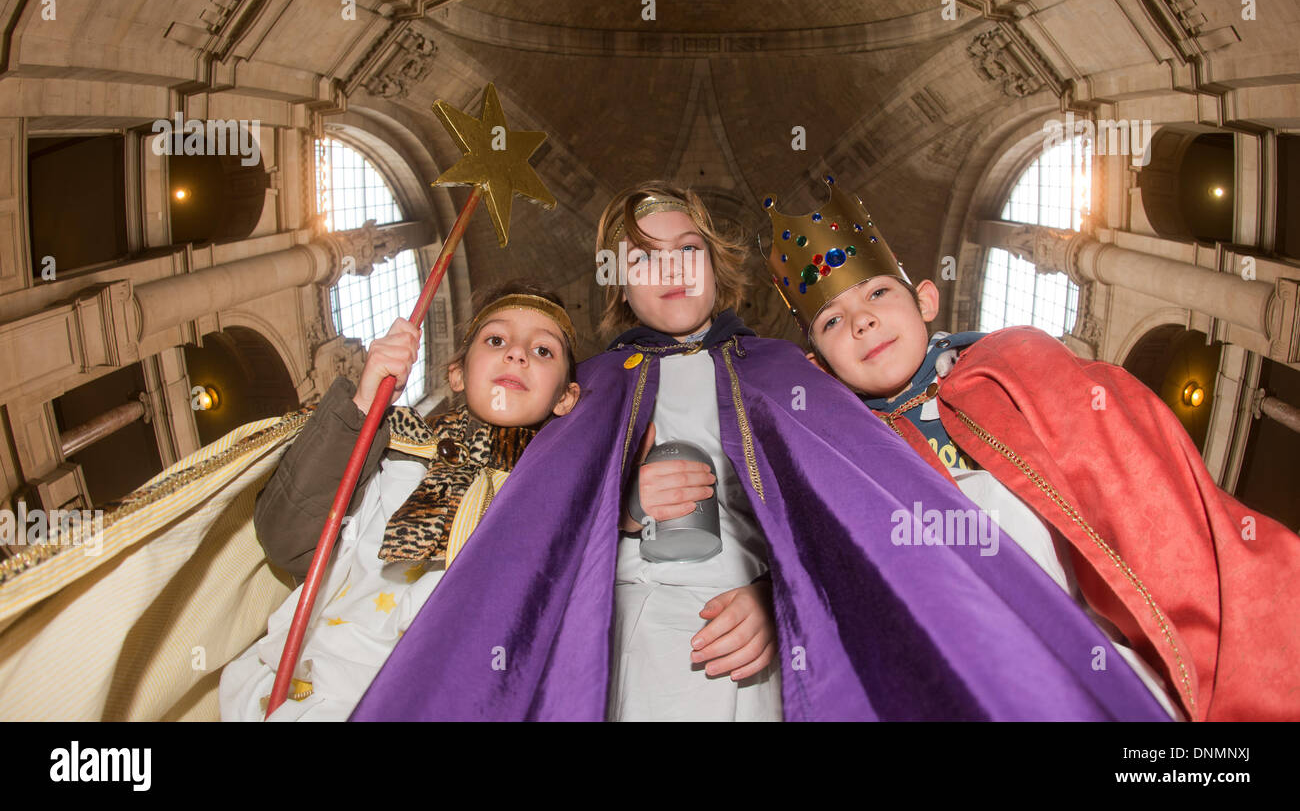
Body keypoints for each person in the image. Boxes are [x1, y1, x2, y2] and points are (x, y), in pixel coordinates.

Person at [352, 182, 1172, 721]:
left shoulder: (788, 372)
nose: (669, 268)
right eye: (643, 256)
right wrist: (624, 505)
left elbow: (852, 515)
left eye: (688, 247)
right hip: (622, 636)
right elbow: (518, 511)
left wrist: (781, 591)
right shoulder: (584, 386)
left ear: (718, 265)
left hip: (769, 648)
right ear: (620, 286)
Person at [767, 175, 1300, 721]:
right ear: (818, 366)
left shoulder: (1016, 359)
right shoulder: (847, 463)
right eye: (832, 321)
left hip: (1125, 650)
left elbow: (1142, 489)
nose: (862, 320)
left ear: (925, 299)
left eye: (878, 292)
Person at [219, 280, 581, 721]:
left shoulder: (558, 498)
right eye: (496, 339)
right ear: (457, 373)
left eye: (543, 351)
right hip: (312, 690)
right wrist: (364, 403)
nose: (517, 353)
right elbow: (287, 539)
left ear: (566, 397)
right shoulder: (393, 452)